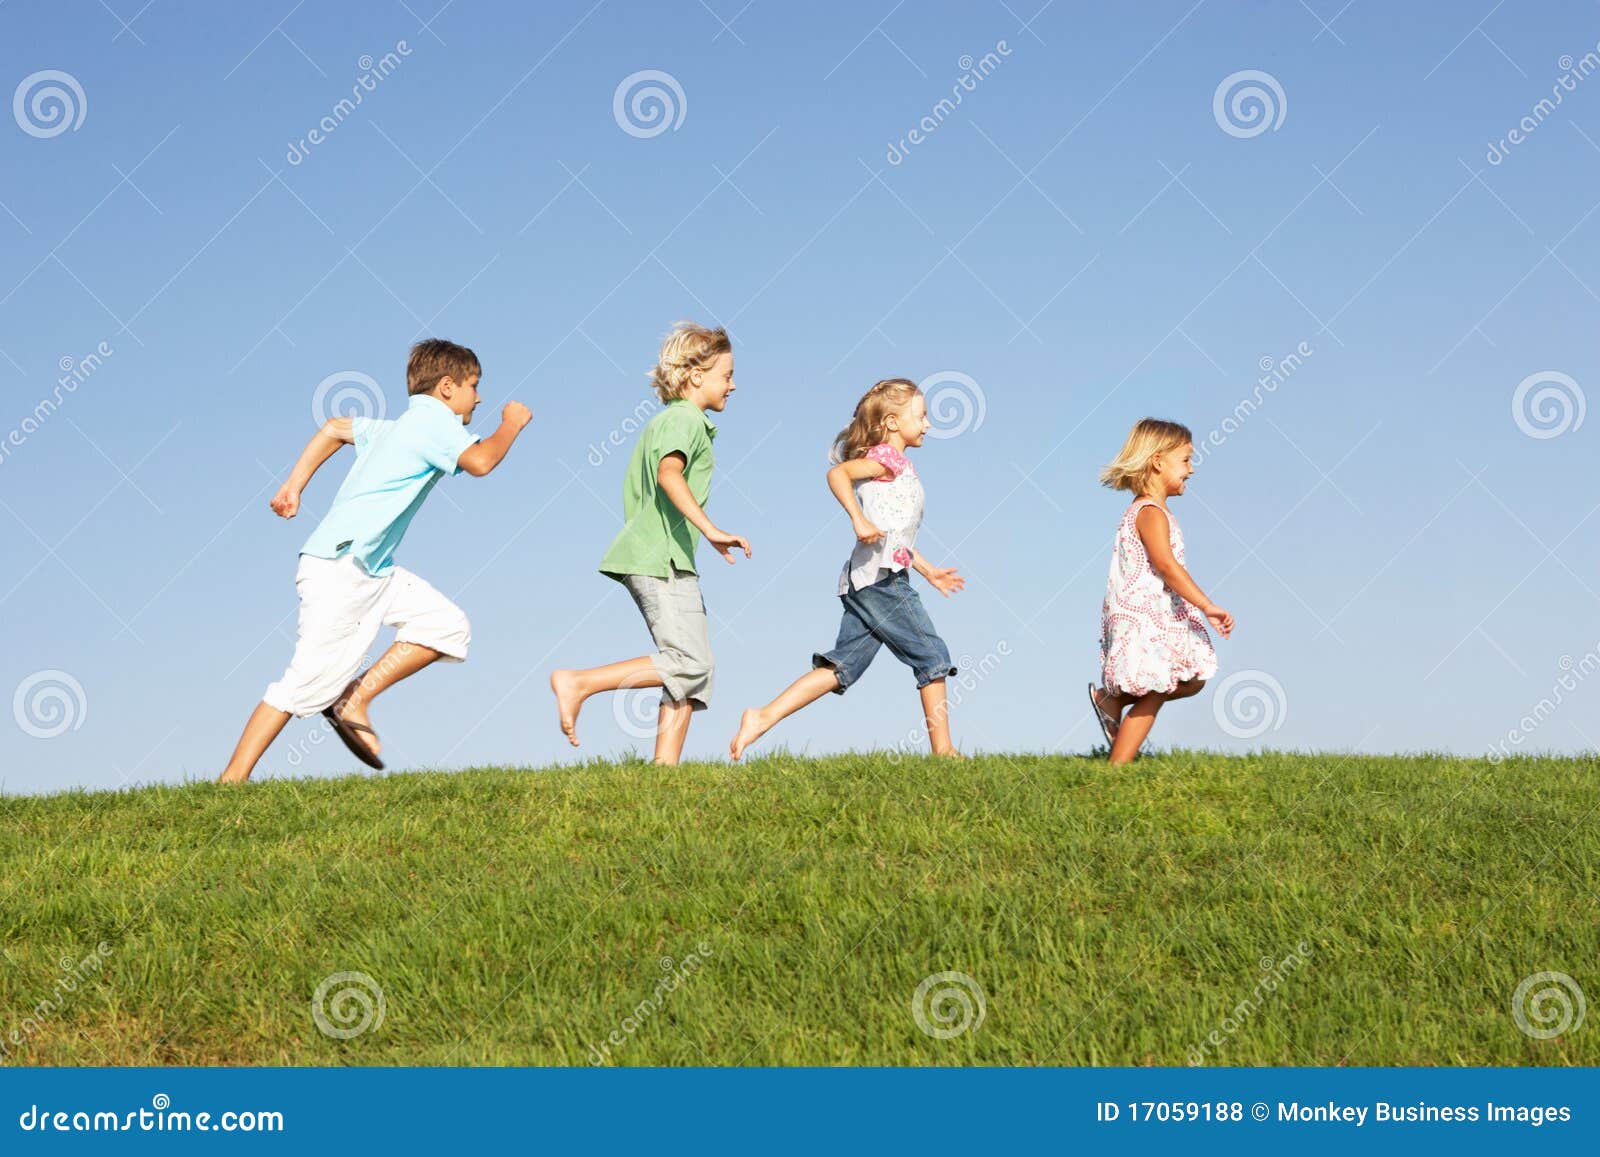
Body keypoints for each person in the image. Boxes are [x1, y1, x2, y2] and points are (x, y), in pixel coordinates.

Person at [217, 339, 532, 783]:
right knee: (305, 680)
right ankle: (232, 780)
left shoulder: (397, 428)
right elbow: (481, 461)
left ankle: (353, 699)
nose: (479, 398)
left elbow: (333, 428)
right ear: (447, 388)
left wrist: (294, 485)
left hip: (372, 569)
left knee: (446, 625)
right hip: (340, 568)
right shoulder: (434, 426)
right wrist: (512, 423)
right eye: (474, 386)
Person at [730, 377, 964, 762]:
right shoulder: (887, 459)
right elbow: (837, 475)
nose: (927, 425)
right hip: (881, 583)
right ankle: (944, 752)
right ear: (892, 421)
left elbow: (894, 536)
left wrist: (928, 570)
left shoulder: (899, 467)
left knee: (843, 667)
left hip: (867, 580)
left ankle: (761, 717)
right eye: (921, 416)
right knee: (932, 656)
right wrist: (856, 518)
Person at [550, 322, 749, 765]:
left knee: (694, 667)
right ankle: (579, 682)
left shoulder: (674, 421)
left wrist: (703, 536)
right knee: (689, 662)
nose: (733, 385)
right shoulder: (684, 420)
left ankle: (665, 771)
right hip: (659, 557)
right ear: (696, 375)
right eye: (726, 374)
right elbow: (669, 475)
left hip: (668, 554)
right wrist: (712, 528)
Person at [1087, 418, 1233, 765]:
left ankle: (1112, 701)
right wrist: (1208, 605)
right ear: (1157, 462)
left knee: (1193, 678)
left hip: (1155, 615)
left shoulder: (1152, 511)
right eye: (1185, 460)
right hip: (1145, 618)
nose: (1191, 470)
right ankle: (1117, 769)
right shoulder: (1150, 513)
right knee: (1159, 687)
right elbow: (1167, 566)